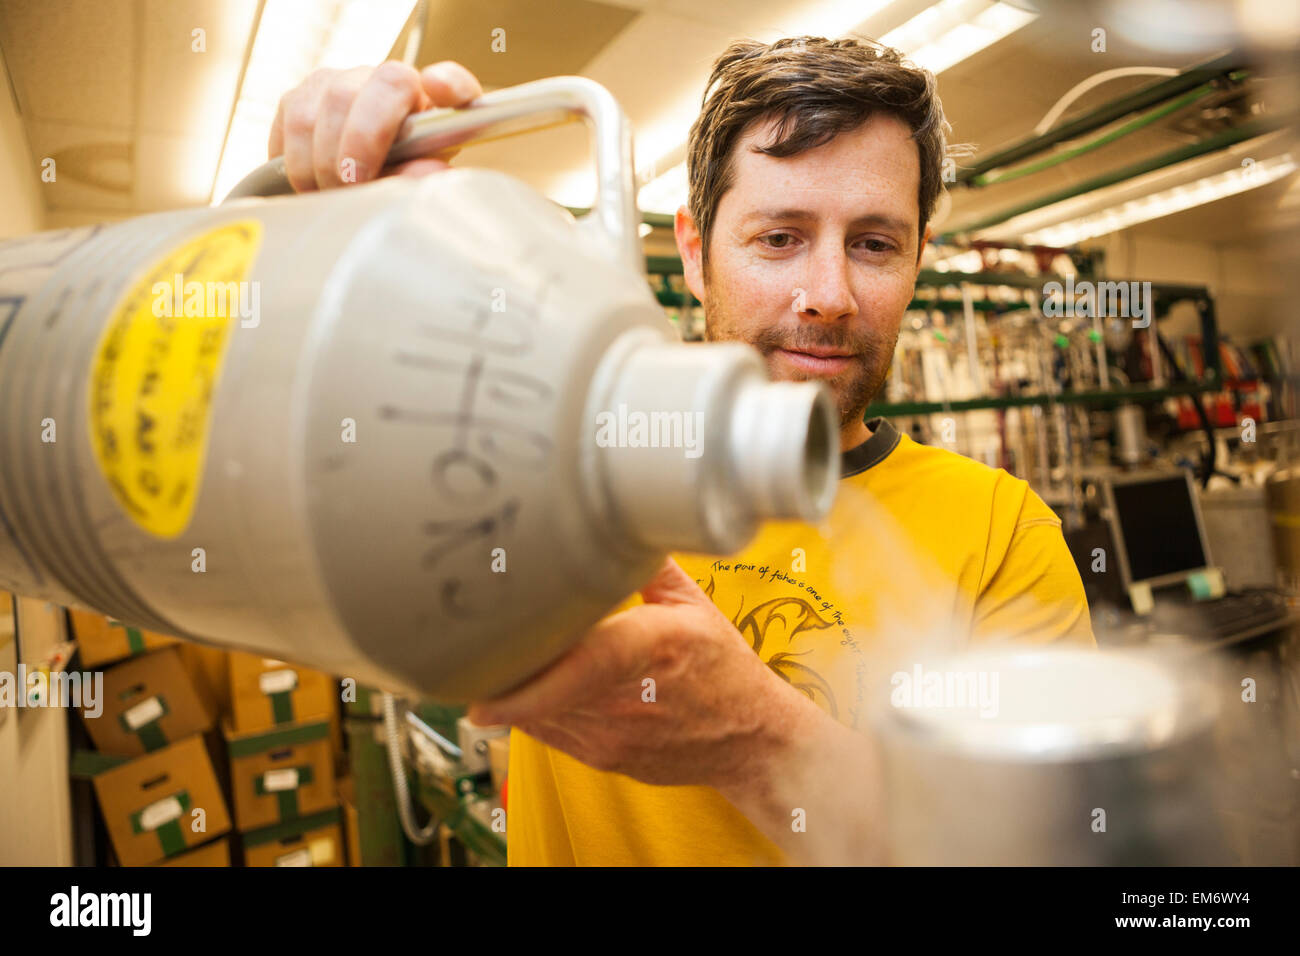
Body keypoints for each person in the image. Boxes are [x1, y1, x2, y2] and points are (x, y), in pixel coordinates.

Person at [271, 35, 1095, 866]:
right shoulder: (534, 458)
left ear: (916, 259)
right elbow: (281, 507)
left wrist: (754, 739)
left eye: (874, 244)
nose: (830, 296)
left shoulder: (1003, 537)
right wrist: (333, 227)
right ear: (697, 254)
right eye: (779, 237)